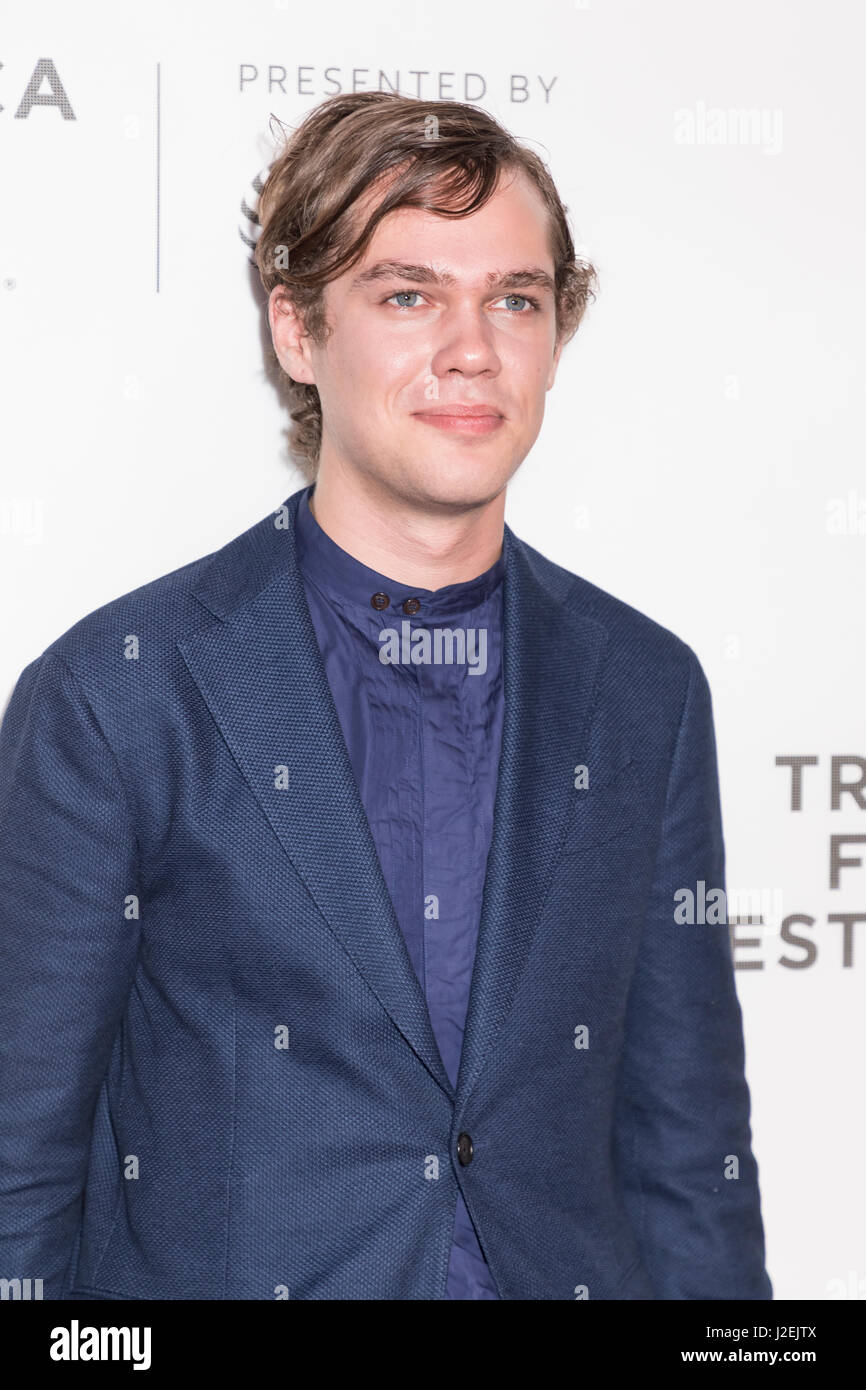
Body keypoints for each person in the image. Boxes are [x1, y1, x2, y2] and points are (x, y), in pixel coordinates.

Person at [0, 90, 772, 1300]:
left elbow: (687, 1156)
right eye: (408, 295)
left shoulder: (642, 689)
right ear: (297, 333)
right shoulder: (117, 695)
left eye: (514, 299)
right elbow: (18, 1166)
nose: (472, 348)